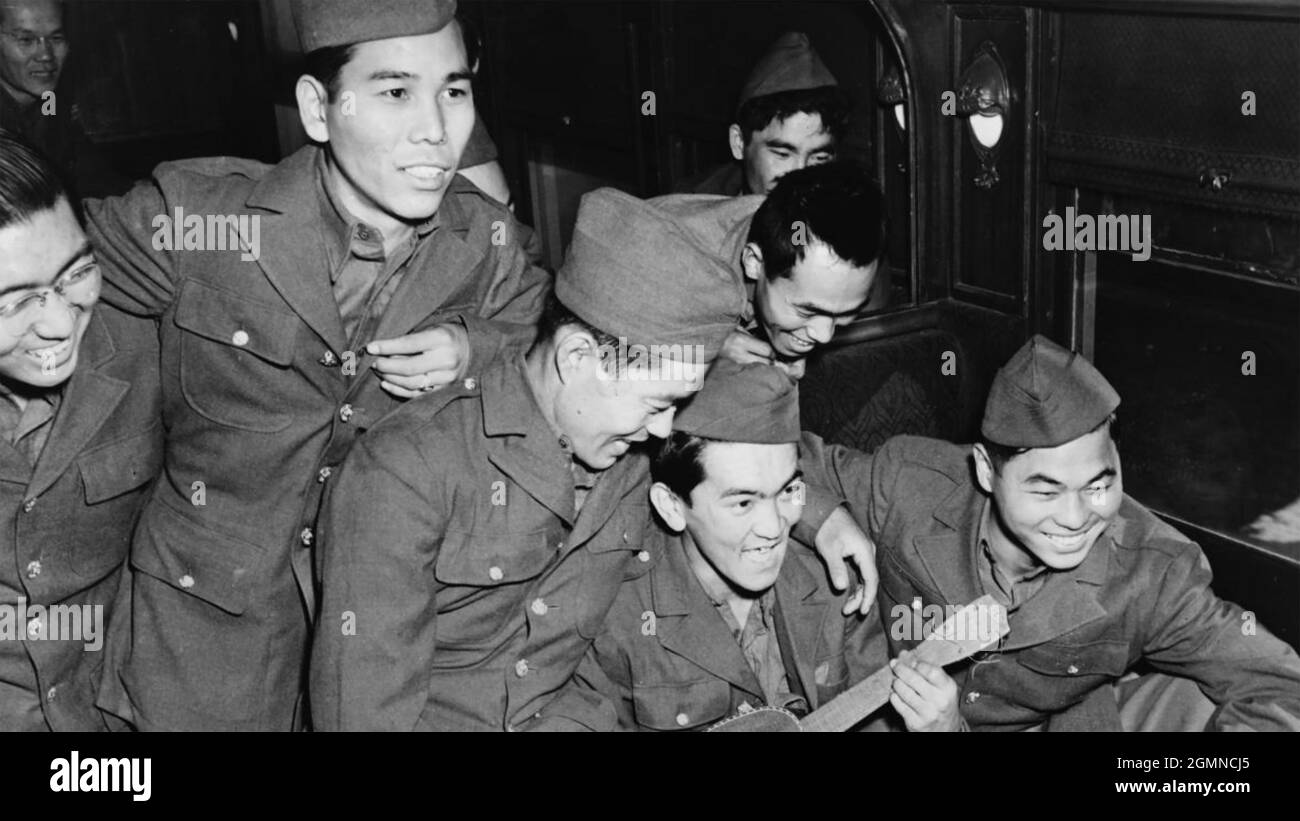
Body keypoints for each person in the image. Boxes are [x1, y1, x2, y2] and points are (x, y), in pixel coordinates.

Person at [83, 0, 548, 730]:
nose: (436, 128)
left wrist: (472, 347)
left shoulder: (483, 240)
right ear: (319, 109)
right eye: (395, 92)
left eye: (454, 91)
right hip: (200, 652)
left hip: (373, 655)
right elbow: (44, 261)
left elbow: (541, 322)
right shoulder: (200, 220)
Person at [310, 187, 877, 731]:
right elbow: (361, 710)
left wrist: (819, 516)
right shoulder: (404, 473)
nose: (663, 430)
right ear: (579, 356)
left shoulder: (629, 451)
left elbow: (741, 460)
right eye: (659, 403)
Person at [805, 334, 1300, 730]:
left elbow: (1281, 684)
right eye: (1045, 492)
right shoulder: (909, 481)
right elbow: (798, 460)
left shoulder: (1153, 572)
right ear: (985, 470)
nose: (1075, 516)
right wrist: (826, 517)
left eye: (1099, 484)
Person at [530, 359, 891, 731]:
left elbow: (876, 720)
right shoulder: (616, 621)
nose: (773, 528)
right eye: (742, 503)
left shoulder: (836, 581)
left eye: (787, 491)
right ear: (672, 507)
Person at [0, 130, 160, 730]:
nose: (61, 323)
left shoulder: (145, 348)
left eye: (76, 273)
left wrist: (467, 341)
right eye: (13, 303)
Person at [656, 161, 884, 378]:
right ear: (754, 262)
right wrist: (709, 348)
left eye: (845, 314)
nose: (824, 336)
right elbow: (621, 358)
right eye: (806, 311)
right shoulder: (668, 259)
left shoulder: (844, 255)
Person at [676, 31, 848, 197]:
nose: (799, 177)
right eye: (782, 154)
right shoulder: (683, 212)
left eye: (819, 158)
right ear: (739, 142)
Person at [0, 0, 125, 198]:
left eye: (56, 38)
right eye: (26, 40)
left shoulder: (50, 104)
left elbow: (99, 182)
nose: (46, 55)